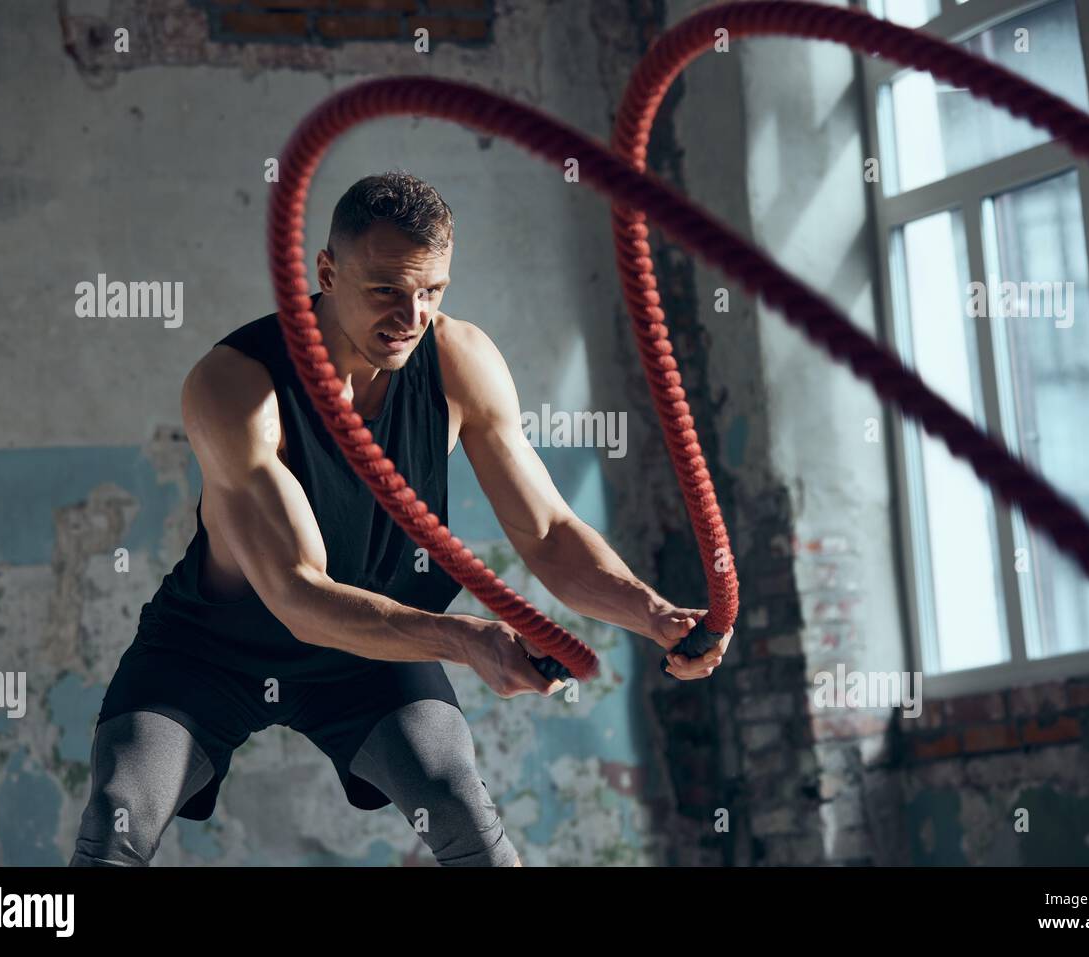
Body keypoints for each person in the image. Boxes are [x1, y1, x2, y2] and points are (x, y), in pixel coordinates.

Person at [70, 170, 733, 868]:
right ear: (327, 273)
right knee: (117, 818)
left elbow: (547, 533)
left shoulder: (459, 361)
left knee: (459, 805)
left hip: (372, 654)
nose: (411, 315)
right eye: (386, 290)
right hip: (211, 652)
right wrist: (466, 638)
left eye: (432, 291)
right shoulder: (236, 386)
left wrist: (655, 613)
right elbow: (299, 594)